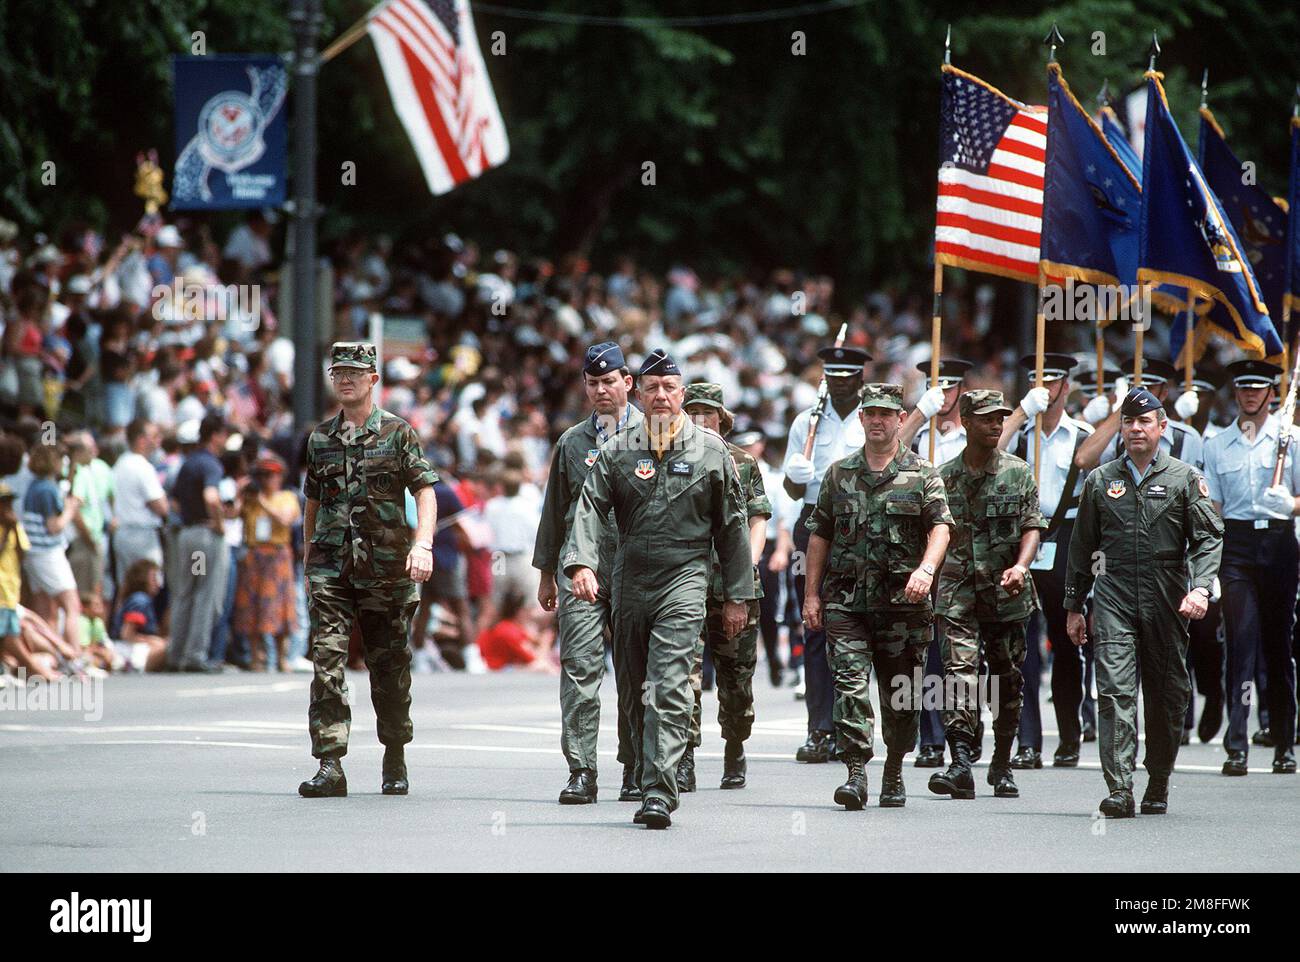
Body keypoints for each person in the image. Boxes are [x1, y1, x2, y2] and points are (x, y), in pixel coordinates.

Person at [564, 349, 753, 829]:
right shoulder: (617, 450)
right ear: (640, 395)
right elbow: (588, 508)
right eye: (653, 389)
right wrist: (580, 564)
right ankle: (637, 764)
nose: (662, 396)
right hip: (629, 578)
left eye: (670, 389)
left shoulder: (711, 452)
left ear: (682, 395)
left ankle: (659, 790)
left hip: (685, 577)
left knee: (669, 682)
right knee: (632, 686)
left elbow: (733, 529)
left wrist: (737, 595)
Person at [1065, 387, 1223, 817]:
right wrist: (1075, 605)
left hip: (1167, 597)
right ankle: (1119, 788)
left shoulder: (1185, 478)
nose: (1136, 429)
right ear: (1121, 427)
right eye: (1129, 422)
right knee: (1114, 692)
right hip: (1113, 594)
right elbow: (1083, 547)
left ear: (1162, 427)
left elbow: (1209, 537)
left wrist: (1201, 587)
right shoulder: (1101, 480)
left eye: (1145, 422)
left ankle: (1158, 779)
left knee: (1167, 694)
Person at [803, 383, 953, 809]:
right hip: (846, 603)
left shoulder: (923, 473)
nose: (877, 421)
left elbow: (941, 527)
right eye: (870, 413)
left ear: (900, 419)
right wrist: (811, 595)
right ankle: (855, 772)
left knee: (900, 694)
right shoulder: (839, 473)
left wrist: (927, 569)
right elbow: (820, 536)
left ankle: (893, 770)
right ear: (861, 418)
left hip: (902, 607)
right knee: (850, 686)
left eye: (886, 414)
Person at [298, 342, 438, 799]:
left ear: (373, 380)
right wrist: (308, 556)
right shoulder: (319, 438)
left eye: (354, 373)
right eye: (338, 372)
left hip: (387, 571)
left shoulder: (398, 433)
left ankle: (394, 752)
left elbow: (425, 491)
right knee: (326, 661)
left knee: (389, 666)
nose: (345, 380)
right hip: (332, 569)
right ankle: (330, 763)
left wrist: (423, 544)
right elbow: (313, 501)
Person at [531, 340, 644, 805]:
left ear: (627, 383)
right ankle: (581, 769)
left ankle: (636, 765)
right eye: (593, 382)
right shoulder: (572, 441)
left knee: (636, 672)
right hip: (580, 568)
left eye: (609, 381)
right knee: (579, 668)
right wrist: (545, 573)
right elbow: (555, 512)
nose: (601, 390)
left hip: (636, 569)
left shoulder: (654, 435)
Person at [930, 390, 1044, 801]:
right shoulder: (942, 477)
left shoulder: (1018, 472)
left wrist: (1022, 565)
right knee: (959, 674)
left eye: (1000, 418)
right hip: (957, 592)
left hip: (1006, 592)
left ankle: (1002, 762)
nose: (996, 425)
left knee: (1006, 679)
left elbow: (1033, 525)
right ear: (965, 421)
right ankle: (960, 761)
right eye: (986, 419)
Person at [1201, 360, 1298, 775]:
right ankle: (1236, 742)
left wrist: (1291, 505)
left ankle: (1283, 741)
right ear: (1236, 393)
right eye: (1244, 388)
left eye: (1259, 389)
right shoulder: (1218, 445)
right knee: (1240, 645)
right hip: (1237, 545)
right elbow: (1215, 509)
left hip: (1278, 542)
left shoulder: (1291, 439)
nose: (1251, 395)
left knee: (1279, 647)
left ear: (1272, 393)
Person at [998, 353, 1094, 769]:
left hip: (1067, 539)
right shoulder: (1019, 433)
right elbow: (989, 448)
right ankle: (1027, 742)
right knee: (1020, 647)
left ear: (1065, 388)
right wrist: (1022, 410)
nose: (1046, 388)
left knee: (1065, 639)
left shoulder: (1082, 435)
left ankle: (1069, 736)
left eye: (1052, 382)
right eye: (1038, 381)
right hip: (1021, 540)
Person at [782, 344, 871, 764]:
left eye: (846, 378)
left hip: (860, 525)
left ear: (859, 380)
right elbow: (791, 489)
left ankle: (853, 726)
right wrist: (797, 478)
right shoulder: (807, 422)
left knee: (858, 626)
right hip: (814, 520)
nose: (838, 385)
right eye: (832, 377)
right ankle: (819, 728)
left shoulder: (873, 417)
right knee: (814, 624)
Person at [681, 382, 770, 791]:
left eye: (708, 414)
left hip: (733, 587)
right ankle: (683, 756)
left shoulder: (743, 463)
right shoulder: (672, 459)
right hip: (684, 585)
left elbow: (758, 519)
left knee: (736, 680)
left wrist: (744, 570)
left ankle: (735, 745)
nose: (700, 421)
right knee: (683, 678)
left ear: (723, 420)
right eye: (693, 412)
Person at [901, 356, 973, 769]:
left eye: (950, 388)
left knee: (962, 650)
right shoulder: (915, 431)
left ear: (961, 391)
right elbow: (891, 449)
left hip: (966, 547)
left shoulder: (972, 431)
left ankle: (965, 735)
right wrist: (920, 413)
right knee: (926, 647)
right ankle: (931, 738)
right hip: (923, 546)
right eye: (936, 388)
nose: (943, 396)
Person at [166, 414, 231, 672]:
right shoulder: (210, 464)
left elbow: (174, 502)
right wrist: (219, 523)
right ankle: (195, 654)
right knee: (205, 594)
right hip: (205, 534)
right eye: (223, 435)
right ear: (215, 435)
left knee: (186, 593)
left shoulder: (188, 463)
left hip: (187, 534)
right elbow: (212, 497)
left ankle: (177, 654)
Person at [234, 452, 300, 671]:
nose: (265, 481)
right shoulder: (250, 499)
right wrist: (239, 493)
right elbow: (232, 515)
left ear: (279, 476)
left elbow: (285, 518)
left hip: (277, 554)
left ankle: (282, 658)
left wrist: (262, 501)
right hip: (255, 555)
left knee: (280, 606)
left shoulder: (286, 497)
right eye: (261, 476)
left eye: (270, 476)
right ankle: (256, 657)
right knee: (252, 606)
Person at [21, 442, 82, 654]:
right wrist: (70, 509)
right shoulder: (47, 489)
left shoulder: (34, 486)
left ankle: (50, 655)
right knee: (72, 605)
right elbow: (54, 526)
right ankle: (75, 655)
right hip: (48, 553)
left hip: (34, 554)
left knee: (46, 610)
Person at [111, 420, 167, 591]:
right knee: (150, 585)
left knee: (125, 587)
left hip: (122, 534)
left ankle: (122, 618)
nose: (159, 440)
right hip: (142, 536)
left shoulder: (120, 463)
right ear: (141, 440)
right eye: (154, 436)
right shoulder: (142, 467)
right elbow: (162, 507)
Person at [0, 484, 49, 680]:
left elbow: (22, 554)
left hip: (10, 588)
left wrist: (12, 528)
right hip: (1, 590)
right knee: (7, 635)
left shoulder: (14, 526)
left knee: (8, 633)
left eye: (9, 503)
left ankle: (12, 669)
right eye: (3, 503)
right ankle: (33, 667)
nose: (7, 507)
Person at [110, 558, 169, 672]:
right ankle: (132, 666)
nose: (158, 583)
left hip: (134, 647)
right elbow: (127, 634)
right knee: (163, 647)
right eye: (154, 578)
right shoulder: (140, 600)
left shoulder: (144, 599)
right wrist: (153, 640)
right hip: (126, 648)